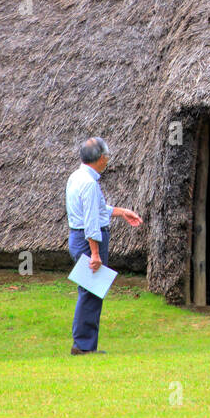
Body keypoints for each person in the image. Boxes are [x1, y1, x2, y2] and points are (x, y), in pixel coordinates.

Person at [66, 137, 141, 355]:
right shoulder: (89, 183)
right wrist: (95, 253)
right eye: (106, 156)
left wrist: (121, 212)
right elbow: (91, 221)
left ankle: (84, 344)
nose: (108, 160)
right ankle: (83, 346)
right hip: (88, 241)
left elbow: (97, 208)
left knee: (89, 291)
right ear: (100, 158)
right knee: (91, 293)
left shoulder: (77, 177)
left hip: (77, 237)